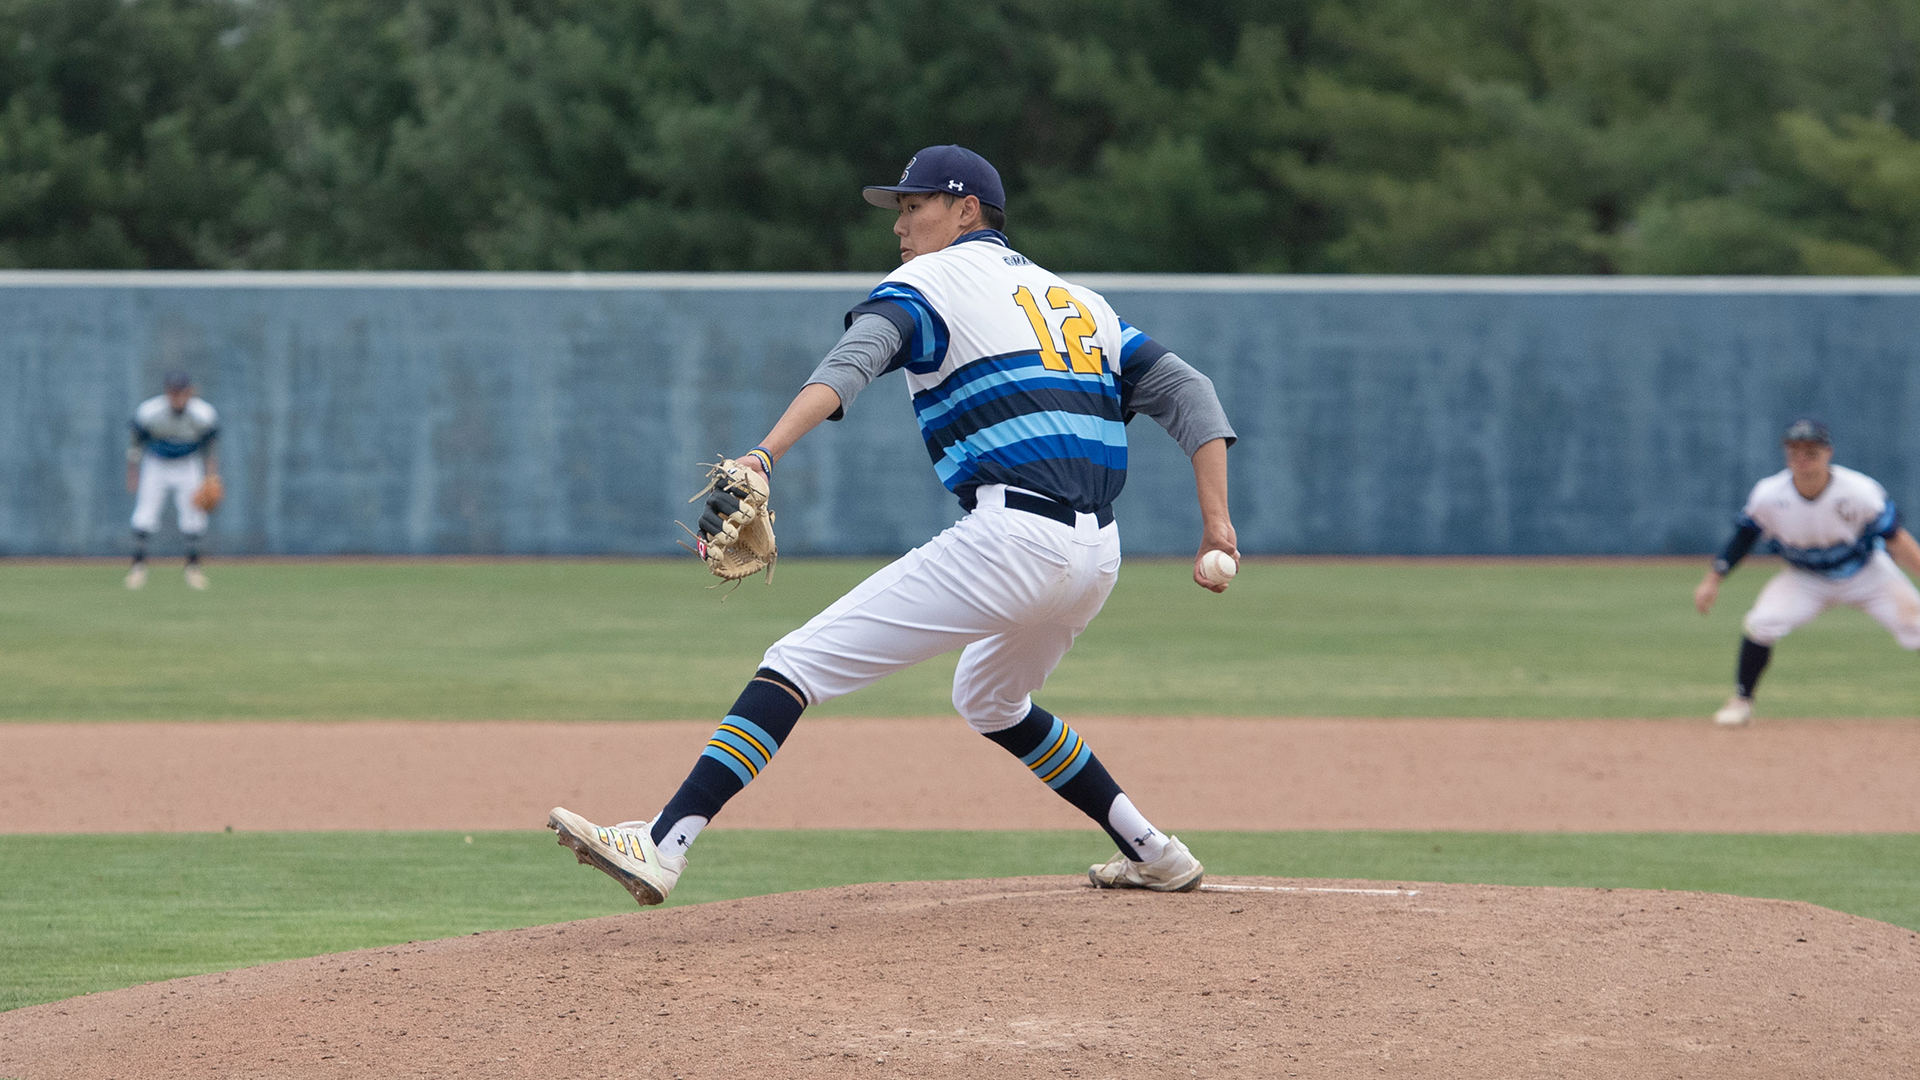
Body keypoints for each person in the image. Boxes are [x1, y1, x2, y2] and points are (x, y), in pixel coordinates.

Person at [550, 145, 1240, 904]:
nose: (901, 226)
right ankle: (1154, 850)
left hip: (1011, 541)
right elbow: (1191, 393)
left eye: (916, 207)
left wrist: (763, 456)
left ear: (967, 210)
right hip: (1098, 556)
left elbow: (851, 363)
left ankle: (663, 840)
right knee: (990, 700)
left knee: (796, 662)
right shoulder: (1081, 303)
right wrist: (1217, 528)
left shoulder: (928, 281)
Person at [1694, 417, 1920, 726]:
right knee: (1762, 622)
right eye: (1794, 450)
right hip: (1806, 578)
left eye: (1810, 451)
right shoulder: (1769, 495)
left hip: (1867, 573)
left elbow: (1897, 540)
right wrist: (1712, 579)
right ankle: (1741, 700)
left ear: (1828, 453)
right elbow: (1743, 539)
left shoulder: (1860, 492)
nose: (1802, 458)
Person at [126, 371, 220, 590]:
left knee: (193, 516)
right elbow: (135, 445)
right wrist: (132, 473)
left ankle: (193, 569)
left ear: (190, 392)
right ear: (167, 392)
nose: (177, 397)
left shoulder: (203, 414)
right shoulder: (150, 411)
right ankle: (138, 568)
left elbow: (210, 449)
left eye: (181, 392)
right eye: (173, 392)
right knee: (145, 513)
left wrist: (212, 476)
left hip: (188, 464)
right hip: (156, 463)